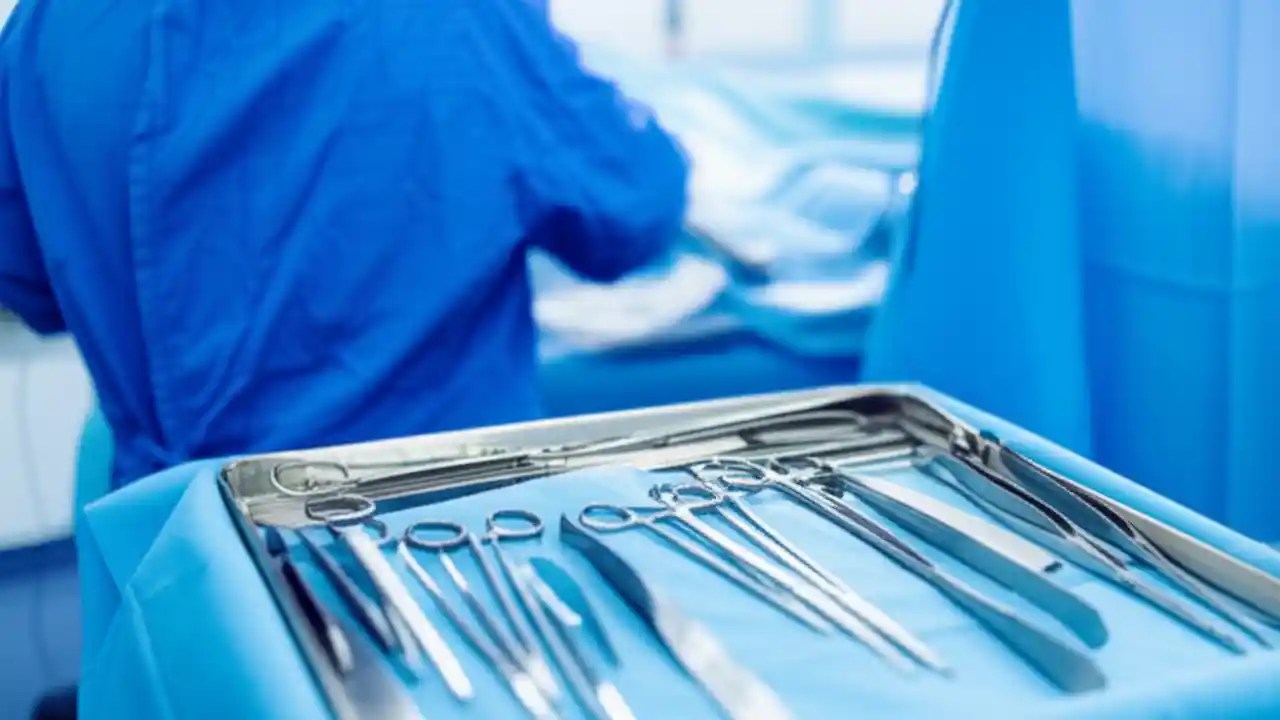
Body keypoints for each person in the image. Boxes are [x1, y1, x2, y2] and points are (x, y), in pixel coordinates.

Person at [0, 0, 688, 491]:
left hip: (167, 549)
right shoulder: (453, 16)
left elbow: (30, 282)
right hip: (423, 530)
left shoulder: (46, 24)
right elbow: (633, 215)